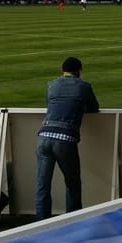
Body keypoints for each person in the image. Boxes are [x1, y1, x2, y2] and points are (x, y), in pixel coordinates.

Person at [35, 56, 100, 220]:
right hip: (65, 139)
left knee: (42, 185)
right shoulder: (84, 86)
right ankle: (72, 221)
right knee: (72, 183)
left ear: (62, 71)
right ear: (78, 71)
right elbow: (94, 107)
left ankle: (40, 223)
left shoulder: (51, 85)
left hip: (43, 137)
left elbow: (49, 106)